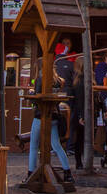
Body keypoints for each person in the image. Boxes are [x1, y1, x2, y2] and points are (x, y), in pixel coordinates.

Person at [27, 57, 74, 186]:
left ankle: (30, 173)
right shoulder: (58, 81)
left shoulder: (40, 79)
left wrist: (31, 94)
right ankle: (67, 172)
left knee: (33, 145)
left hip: (40, 115)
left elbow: (37, 99)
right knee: (57, 145)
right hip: (53, 115)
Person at [70, 53, 86, 170]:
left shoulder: (78, 80)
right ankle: (79, 162)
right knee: (81, 138)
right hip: (81, 112)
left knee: (80, 138)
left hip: (80, 112)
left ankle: (80, 162)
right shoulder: (81, 81)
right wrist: (81, 115)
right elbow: (80, 99)